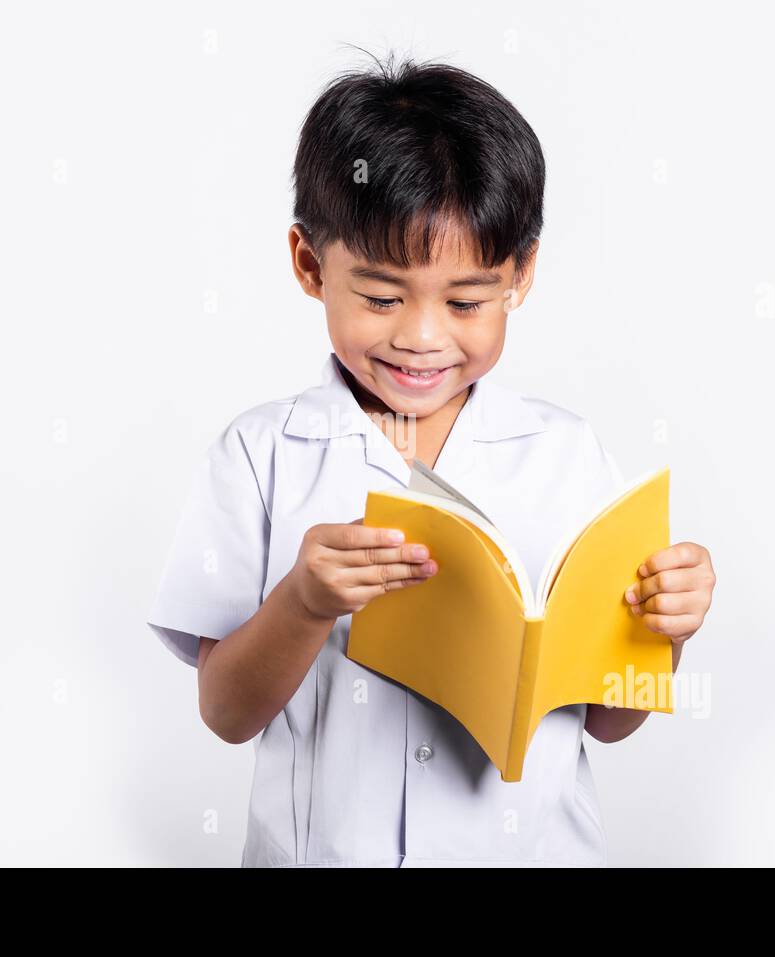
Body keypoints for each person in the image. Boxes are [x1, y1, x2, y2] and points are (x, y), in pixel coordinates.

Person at [147, 52, 716, 867]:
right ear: (311, 265)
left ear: (520, 274)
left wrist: (664, 633)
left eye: (466, 300)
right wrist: (304, 602)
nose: (420, 336)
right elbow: (227, 713)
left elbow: (607, 719)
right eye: (381, 297)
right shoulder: (260, 454)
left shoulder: (564, 455)